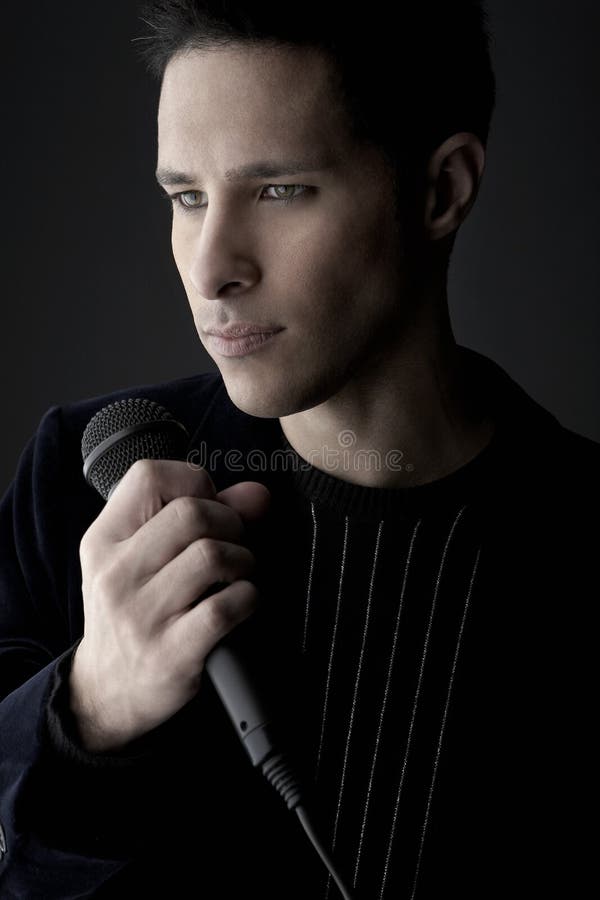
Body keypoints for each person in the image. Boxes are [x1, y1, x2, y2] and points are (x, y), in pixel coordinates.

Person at [0, 1, 597, 897]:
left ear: (441, 190)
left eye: (279, 191)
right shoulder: (85, 488)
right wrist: (88, 710)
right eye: (185, 198)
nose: (210, 269)